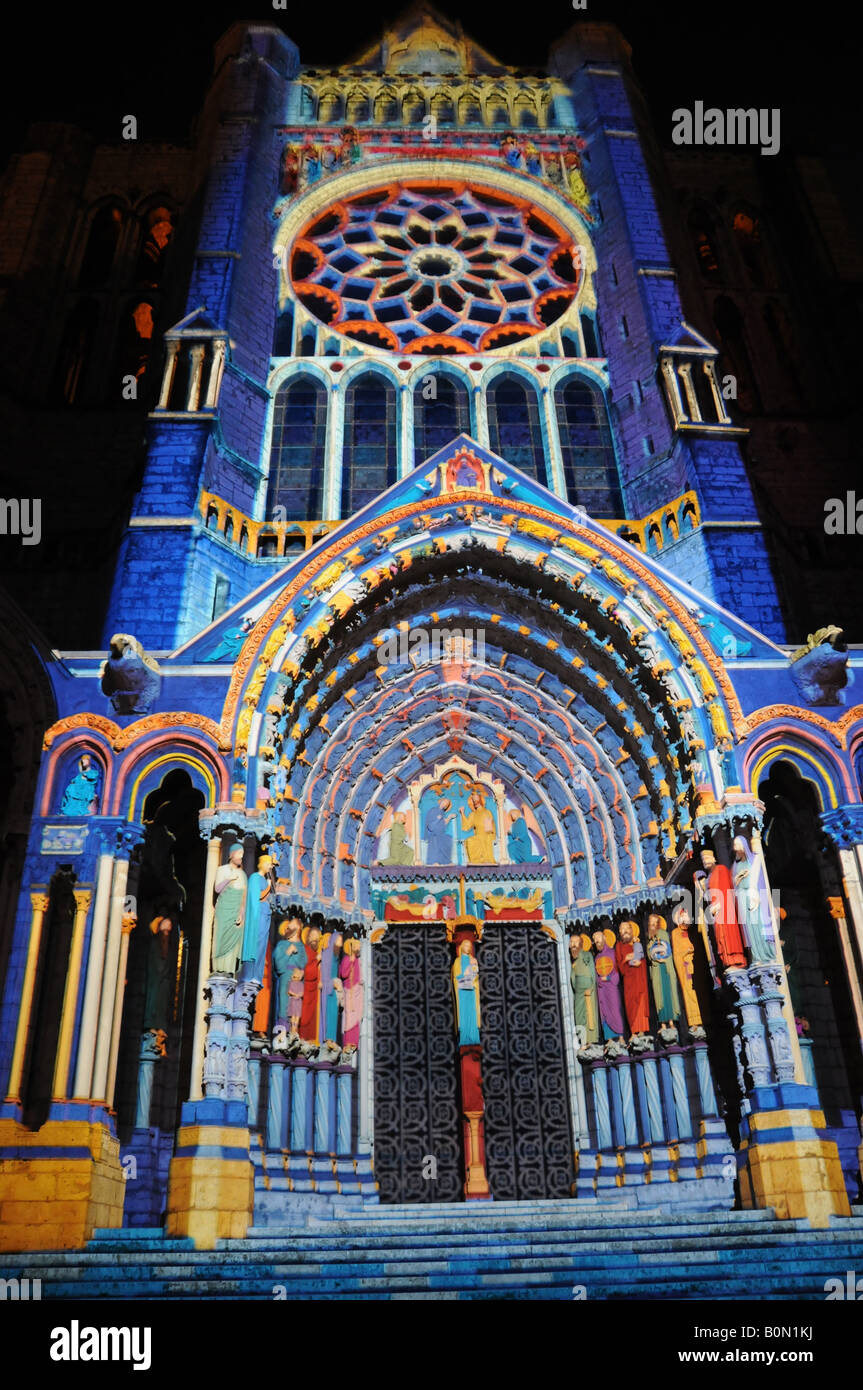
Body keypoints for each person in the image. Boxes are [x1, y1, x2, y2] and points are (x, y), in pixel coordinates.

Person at [698, 847, 747, 969]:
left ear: (714, 858)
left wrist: (719, 903)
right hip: (716, 911)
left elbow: (726, 888)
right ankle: (727, 959)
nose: (705, 861)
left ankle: (736, 957)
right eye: (703, 860)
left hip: (725, 908)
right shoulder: (708, 877)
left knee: (729, 933)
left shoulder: (721, 869)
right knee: (720, 936)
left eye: (707, 858)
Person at [732, 834, 777, 962]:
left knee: (758, 924)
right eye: (734, 845)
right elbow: (734, 884)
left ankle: (765, 954)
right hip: (742, 897)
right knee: (750, 929)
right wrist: (739, 877)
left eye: (737, 845)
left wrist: (755, 894)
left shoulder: (754, 860)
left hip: (753, 897)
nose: (735, 848)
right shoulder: (736, 865)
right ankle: (756, 955)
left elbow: (759, 880)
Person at [671, 904, 707, 1039]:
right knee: (689, 994)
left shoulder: (692, 932)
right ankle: (694, 1022)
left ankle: (703, 1019)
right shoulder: (675, 933)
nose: (685, 918)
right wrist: (686, 952)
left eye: (687, 915)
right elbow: (676, 953)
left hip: (696, 966)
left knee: (700, 992)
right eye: (683, 915)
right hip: (685, 967)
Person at [212, 846, 247, 975]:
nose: (241, 856)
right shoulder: (222, 869)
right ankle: (219, 968)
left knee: (233, 944)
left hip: (236, 912)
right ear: (231, 854)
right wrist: (229, 879)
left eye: (242, 854)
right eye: (239, 853)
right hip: (224, 911)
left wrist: (242, 913)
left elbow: (244, 896)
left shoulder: (243, 874)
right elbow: (217, 889)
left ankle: (229, 970)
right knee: (221, 938)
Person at [614, 920, 651, 1040]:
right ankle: (634, 1031)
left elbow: (643, 958)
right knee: (631, 1005)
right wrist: (626, 958)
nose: (624, 932)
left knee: (641, 1003)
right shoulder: (619, 946)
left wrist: (640, 962)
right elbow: (620, 966)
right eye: (622, 929)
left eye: (627, 929)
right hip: (629, 982)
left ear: (632, 930)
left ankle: (642, 1031)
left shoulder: (637, 944)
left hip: (640, 979)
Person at [646, 913, 680, 1032]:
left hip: (665, 968)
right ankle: (663, 1024)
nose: (653, 925)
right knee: (658, 996)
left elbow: (667, 949)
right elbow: (649, 953)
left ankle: (671, 1022)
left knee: (668, 994)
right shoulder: (649, 940)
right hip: (656, 970)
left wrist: (663, 957)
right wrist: (654, 956)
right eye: (651, 923)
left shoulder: (663, 934)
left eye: (655, 923)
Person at [592, 928, 626, 1046]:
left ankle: (621, 1036)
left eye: (599, 938)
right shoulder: (596, 958)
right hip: (602, 989)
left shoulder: (612, 953)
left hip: (611, 987)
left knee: (615, 1010)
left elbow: (617, 971)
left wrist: (610, 979)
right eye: (595, 940)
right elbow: (596, 975)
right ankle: (609, 1039)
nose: (597, 941)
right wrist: (599, 981)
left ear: (605, 938)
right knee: (604, 1012)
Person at [569, 934, 600, 1056]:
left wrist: (591, 987)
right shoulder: (573, 958)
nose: (573, 945)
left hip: (587, 987)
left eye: (576, 942)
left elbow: (592, 971)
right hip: (578, 989)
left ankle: (590, 1040)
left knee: (589, 1012)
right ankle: (583, 1041)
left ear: (581, 944)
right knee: (579, 1014)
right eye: (571, 942)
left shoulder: (586, 955)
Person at [452, 938, 481, 1045]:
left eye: (470, 946)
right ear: (462, 947)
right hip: (462, 991)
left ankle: (473, 1037)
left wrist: (474, 970)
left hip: (471, 991)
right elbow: (456, 977)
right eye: (466, 946)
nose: (468, 948)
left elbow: (476, 976)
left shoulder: (473, 960)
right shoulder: (457, 961)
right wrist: (465, 974)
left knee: (472, 1013)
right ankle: (464, 1037)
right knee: (464, 1014)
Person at [339, 936, 364, 1055]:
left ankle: (355, 1041)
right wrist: (351, 961)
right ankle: (347, 1042)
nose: (358, 949)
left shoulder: (359, 960)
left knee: (356, 1016)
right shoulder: (347, 959)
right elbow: (343, 974)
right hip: (349, 991)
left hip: (357, 992)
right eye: (355, 946)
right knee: (349, 1017)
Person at [460, 790, 496, 864]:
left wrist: (489, 834)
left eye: (476, 799)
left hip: (486, 834)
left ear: (480, 800)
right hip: (478, 835)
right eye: (473, 800)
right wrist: (462, 813)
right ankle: (475, 861)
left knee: (484, 840)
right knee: (469, 840)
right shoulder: (473, 814)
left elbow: (490, 826)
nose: (475, 801)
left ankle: (486, 859)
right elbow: (467, 826)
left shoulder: (486, 811)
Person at [424, 797, 454, 864]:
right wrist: (437, 819)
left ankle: (446, 861)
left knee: (448, 839)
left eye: (446, 804)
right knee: (437, 839)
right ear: (441, 801)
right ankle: (434, 861)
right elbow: (430, 826)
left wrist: (449, 817)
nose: (444, 804)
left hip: (441, 834)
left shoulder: (442, 813)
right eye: (444, 802)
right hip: (433, 834)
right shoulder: (433, 810)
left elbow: (443, 825)